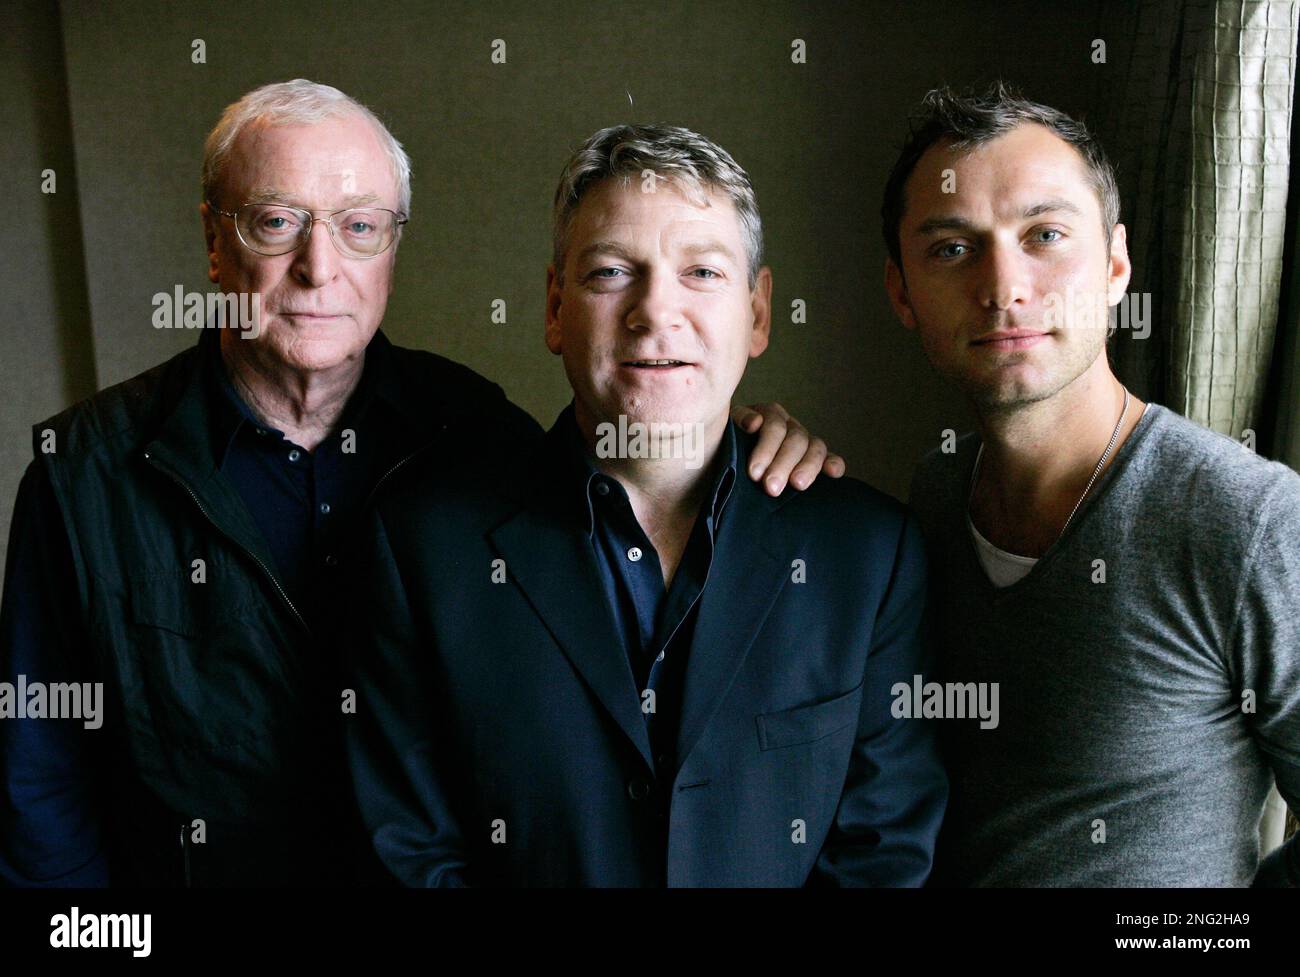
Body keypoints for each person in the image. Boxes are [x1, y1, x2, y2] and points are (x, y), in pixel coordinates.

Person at [0, 80, 837, 887]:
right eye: (276, 222)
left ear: (392, 250)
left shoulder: (477, 434)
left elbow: (643, 478)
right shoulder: (84, 475)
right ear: (216, 244)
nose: (318, 265)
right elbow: (40, 790)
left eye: (360, 226)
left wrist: (739, 438)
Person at [345, 123, 948, 886]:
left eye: (701, 271)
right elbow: (413, 855)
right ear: (555, 308)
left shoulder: (869, 554)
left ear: (758, 314)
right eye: (609, 273)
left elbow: (883, 854)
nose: (655, 310)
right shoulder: (424, 549)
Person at [885, 82, 1300, 886]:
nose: (1003, 286)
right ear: (902, 291)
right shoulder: (933, 494)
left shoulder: (1246, 519)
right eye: (950, 248)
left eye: (1044, 234)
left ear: (1114, 264)